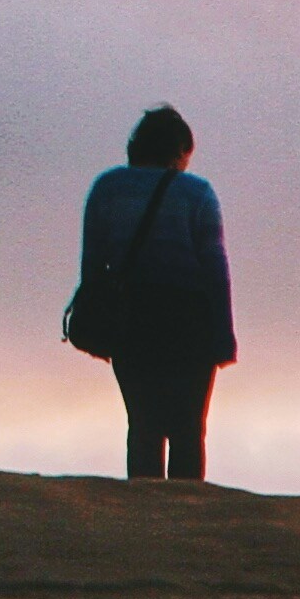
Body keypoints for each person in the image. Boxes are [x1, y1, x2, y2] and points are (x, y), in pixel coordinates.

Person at [78, 106, 236, 482]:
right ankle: (187, 522)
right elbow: (215, 270)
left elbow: (92, 267)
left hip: (131, 319)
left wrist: (99, 321)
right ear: (179, 149)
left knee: (143, 427)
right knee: (188, 430)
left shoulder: (106, 189)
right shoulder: (197, 193)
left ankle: (144, 522)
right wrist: (224, 334)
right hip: (189, 323)